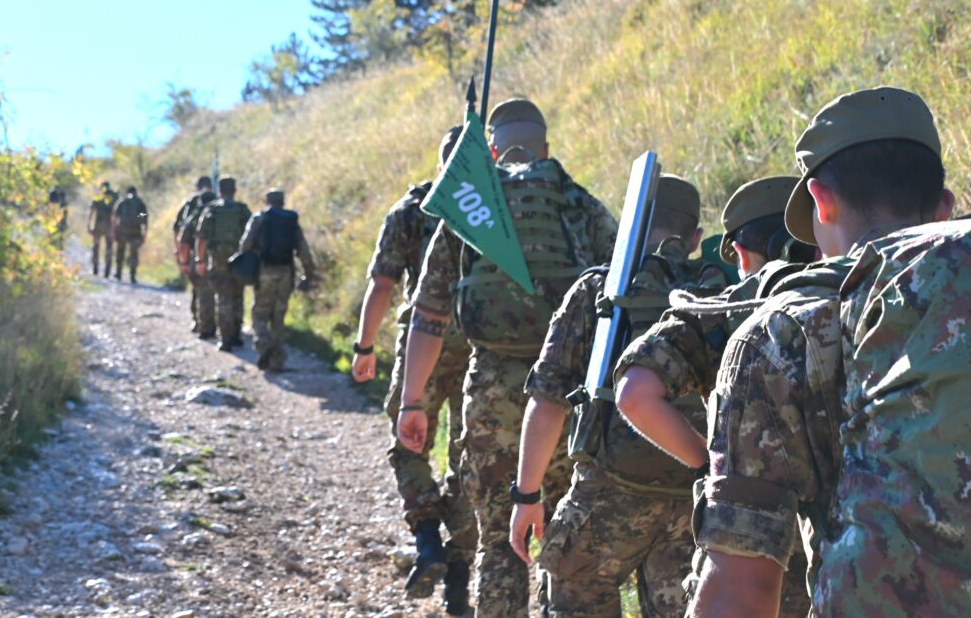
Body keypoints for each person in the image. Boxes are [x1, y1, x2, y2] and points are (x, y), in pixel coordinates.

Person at [614, 87, 957, 617]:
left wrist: (713, 465)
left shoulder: (781, 334)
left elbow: (741, 594)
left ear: (821, 201)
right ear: (944, 207)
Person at [398, 98, 619, 617]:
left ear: (491, 150)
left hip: (492, 391)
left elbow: (427, 316)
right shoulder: (579, 204)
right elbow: (621, 299)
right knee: (562, 533)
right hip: (568, 392)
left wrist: (412, 402)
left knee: (500, 539)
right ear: (546, 147)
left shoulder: (469, 211)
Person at [509, 174, 726, 618]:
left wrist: (527, 495)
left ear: (630, 229)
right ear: (696, 237)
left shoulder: (597, 292)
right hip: (692, 503)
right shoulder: (716, 296)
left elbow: (548, 400)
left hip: (604, 497)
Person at [351, 126, 476, 613]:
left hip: (422, 340)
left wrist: (365, 345)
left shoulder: (410, 210)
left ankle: (426, 536)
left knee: (408, 441)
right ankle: (460, 583)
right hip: (481, 345)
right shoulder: (493, 210)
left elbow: (382, 284)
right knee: (470, 459)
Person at [239, 189, 317, 372]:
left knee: (259, 313)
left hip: (264, 271)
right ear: (283, 201)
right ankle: (277, 361)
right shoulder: (291, 222)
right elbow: (304, 251)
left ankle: (264, 345)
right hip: (286, 272)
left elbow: (245, 245)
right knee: (278, 316)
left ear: (267, 201)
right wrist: (309, 274)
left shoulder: (259, 218)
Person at [195, 177, 251, 352]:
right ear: (234, 190)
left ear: (219, 190)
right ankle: (236, 335)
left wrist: (200, 259)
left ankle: (225, 339)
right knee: (238, 296)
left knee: (223, 298)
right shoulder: (242, 210)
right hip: (239, 260)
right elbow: (252, 235)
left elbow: (201, 238)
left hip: (217, 260)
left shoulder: (211, 209)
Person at [174, 176, 214, 332]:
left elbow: (178, 231)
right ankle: (214, 324)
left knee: (199, 288)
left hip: (194, 253)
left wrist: (181, 256)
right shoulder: (217, 201)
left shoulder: (190, 204)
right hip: (218, 254)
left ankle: (200, 323)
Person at [113, 186, 148, 283]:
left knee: (120, 251)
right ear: (136, 192)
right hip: (136, 231)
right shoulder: (140, 203)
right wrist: (145, 231)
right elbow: (145, 217)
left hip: (122, 231)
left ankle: (118, 273)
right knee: (134, 253)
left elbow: (115, 216)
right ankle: (132, 275)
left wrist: (114, 230)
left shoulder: (123, 201)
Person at [87, 180, 118, 277]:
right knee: (108, 249)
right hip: (108, 227)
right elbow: (115, 216)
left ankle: (95, 269)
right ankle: (106, 272)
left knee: (96, 248)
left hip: (98, 226)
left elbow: (91, 212)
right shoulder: (113, 199)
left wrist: (88, 225)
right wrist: (113, 230)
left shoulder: (98, 198)